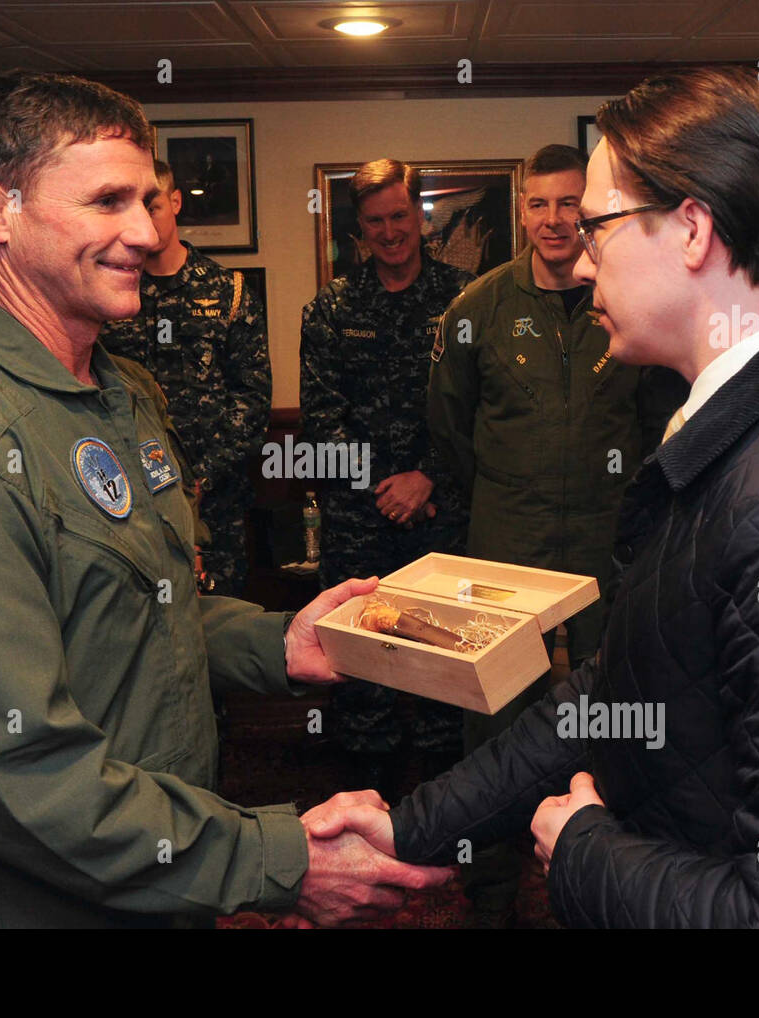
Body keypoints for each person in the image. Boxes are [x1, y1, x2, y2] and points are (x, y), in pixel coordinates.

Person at [303, 66, 759, 929]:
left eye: (598, 227)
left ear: (691, 230)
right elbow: (620, 692)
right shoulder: (738, 432)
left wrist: (581, 847)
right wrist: (410, 826)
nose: (579, 257)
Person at [0, 69, 449, 929]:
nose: (144, 232)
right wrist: (277, 863)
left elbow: (135, 602)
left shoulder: (120, 392)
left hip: (157, 882)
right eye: (107, 202)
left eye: (148, 199)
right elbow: (21, 780)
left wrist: (279, 642)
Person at [427, 145, 687, 924]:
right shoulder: (478, 308)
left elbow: (655, 427)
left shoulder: (627, 300)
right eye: (536, 204)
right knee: (498, 724)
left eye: (568, 203)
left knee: (623, 709)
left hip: (611, 545)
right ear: (521, 210)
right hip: (507, 540)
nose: (552, 220)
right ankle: (492, 892)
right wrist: (506, 498)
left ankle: (620, 880)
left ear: (590, 209)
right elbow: (450, 430)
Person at [300, 158, 474, 800]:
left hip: (443, 515)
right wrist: (389, 489)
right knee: (361, 672)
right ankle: (363, 809)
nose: (390, 230)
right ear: (358, 228)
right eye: (375, 220)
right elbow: (321, 419)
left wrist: (426, 478)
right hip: (358, 523)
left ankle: (446, 813)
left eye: (400, 215)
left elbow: (480, 409)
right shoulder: (329, 309)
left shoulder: (464, 300)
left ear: (419, 216)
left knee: (442, 661)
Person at [101, 159, 270, 597]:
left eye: (152, 204)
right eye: (128, 206)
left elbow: (252, 400)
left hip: (216, 502)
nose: (141, 219)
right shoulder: (109, 292)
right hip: (127, 500)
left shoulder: (228, 291)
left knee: (221, 624)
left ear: (175, 202)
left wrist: (199, 476)